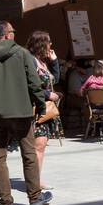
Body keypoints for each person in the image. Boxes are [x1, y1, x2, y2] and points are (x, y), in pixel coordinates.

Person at [0, 20, 52, 205]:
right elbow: (34, 83)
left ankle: (5, 203)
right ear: (7, 35)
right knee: (29, 154)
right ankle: (34, 197)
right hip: (21, 112)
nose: (14, 34)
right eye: (12, 31)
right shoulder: (23, 54)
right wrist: (41, 106)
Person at [27, 31, 63, 191]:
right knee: (38, 145)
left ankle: (36, 179)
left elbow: (54, 79)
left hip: (45, 109)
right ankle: (34, 181)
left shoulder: (43, 62)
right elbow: (28, 86)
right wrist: (49, 94)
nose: (51, 45)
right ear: (41, 44)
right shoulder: (30, 61)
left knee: (41, 145)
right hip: (36, 108)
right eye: (49, 42)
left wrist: (54, 62)